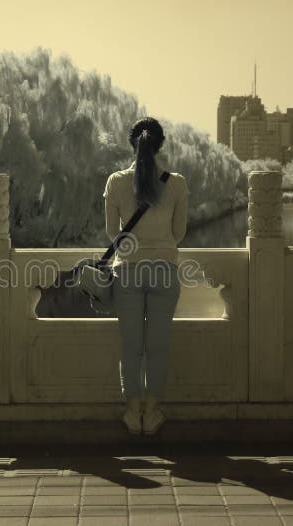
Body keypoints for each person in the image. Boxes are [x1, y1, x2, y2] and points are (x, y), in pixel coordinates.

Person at [102, 117, 189, 435]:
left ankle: (132, 411)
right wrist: (158, 244)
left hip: (127, 271)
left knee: (131, 345)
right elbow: (178, 233)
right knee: (158, 344)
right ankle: (152, 412)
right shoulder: (176, 183)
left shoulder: (115, 181)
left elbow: (112, 233)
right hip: (164, 270)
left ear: (132, 144)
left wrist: (135, 247)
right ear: (160, 145)